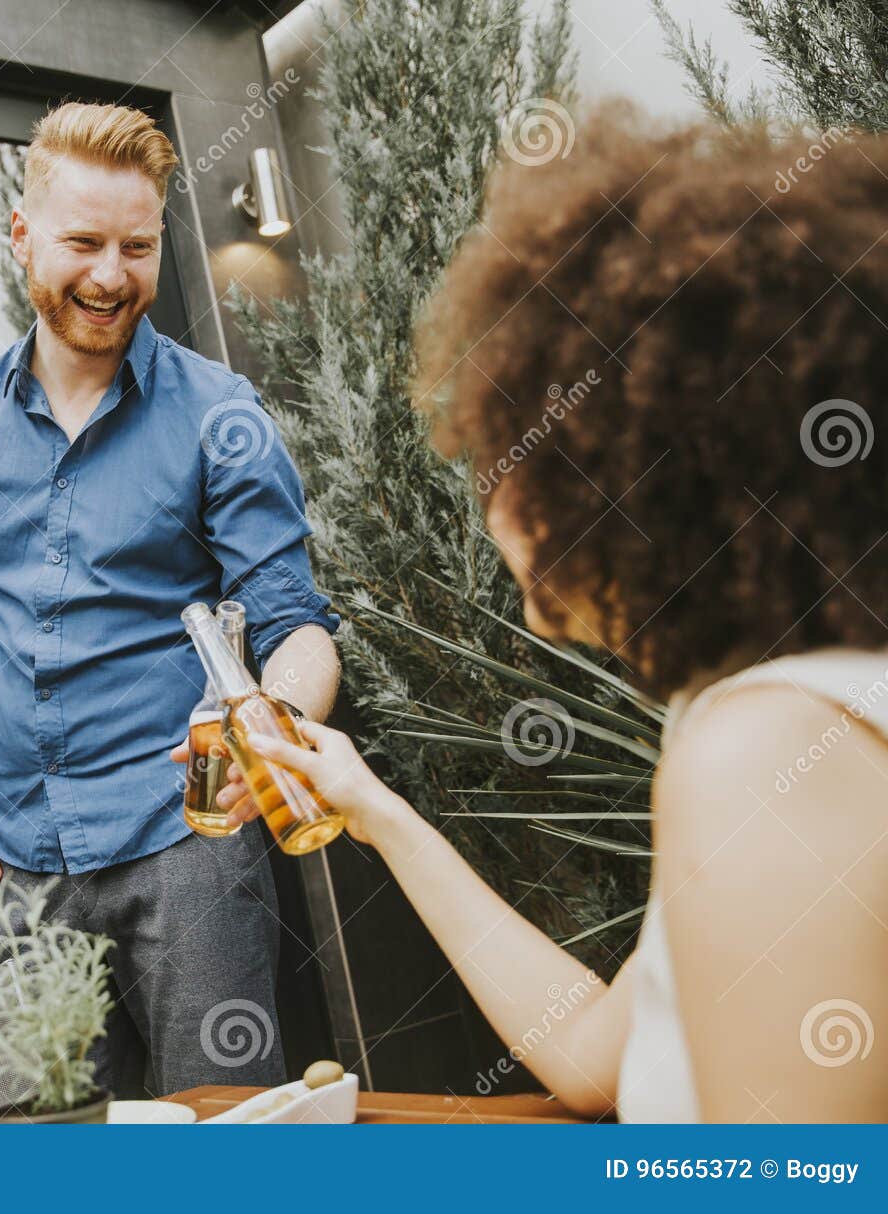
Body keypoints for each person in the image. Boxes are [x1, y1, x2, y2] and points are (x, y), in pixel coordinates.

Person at [216, 111, 888, 1122]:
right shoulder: (796, 710)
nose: (490, 489)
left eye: (517, 442)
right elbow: (595, 1058)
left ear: (633, 466)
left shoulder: (769, 746)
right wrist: (376, 811)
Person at [0, 102, 340, 1097]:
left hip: (187, 847)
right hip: (14, 866)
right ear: (22, 238)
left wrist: (273, 723)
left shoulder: (221, 415)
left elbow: (295, 627)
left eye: (135, 247)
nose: (109, 274)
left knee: (220, 1139)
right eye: (83, 241)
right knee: (49, 1157)